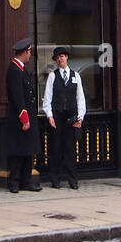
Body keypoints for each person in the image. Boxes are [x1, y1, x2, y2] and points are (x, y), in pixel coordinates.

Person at [41, 46, 86, 190]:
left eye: (62, 56)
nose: (60, 59)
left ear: (67, 57)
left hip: (71, 117)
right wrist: (49, 115)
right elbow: (47, 98)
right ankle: (55, 179)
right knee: (56, 148)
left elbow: (80, 98)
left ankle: (73, 180)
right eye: (57, 58)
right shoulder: (52, 76)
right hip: (57, 117)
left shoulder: (76, 76)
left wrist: (80, 117)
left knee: (70, 149)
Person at [4, 37, 41, 193]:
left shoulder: (21, 69)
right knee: (18, 151)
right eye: (29, 52)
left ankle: (26, 181)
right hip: (19, 118)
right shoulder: (14, 70)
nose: (30, 55)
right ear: (25, 52)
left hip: (27, 116)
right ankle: (14, 182)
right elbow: (18, 97)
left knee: (27, 150)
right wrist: (24, 118)